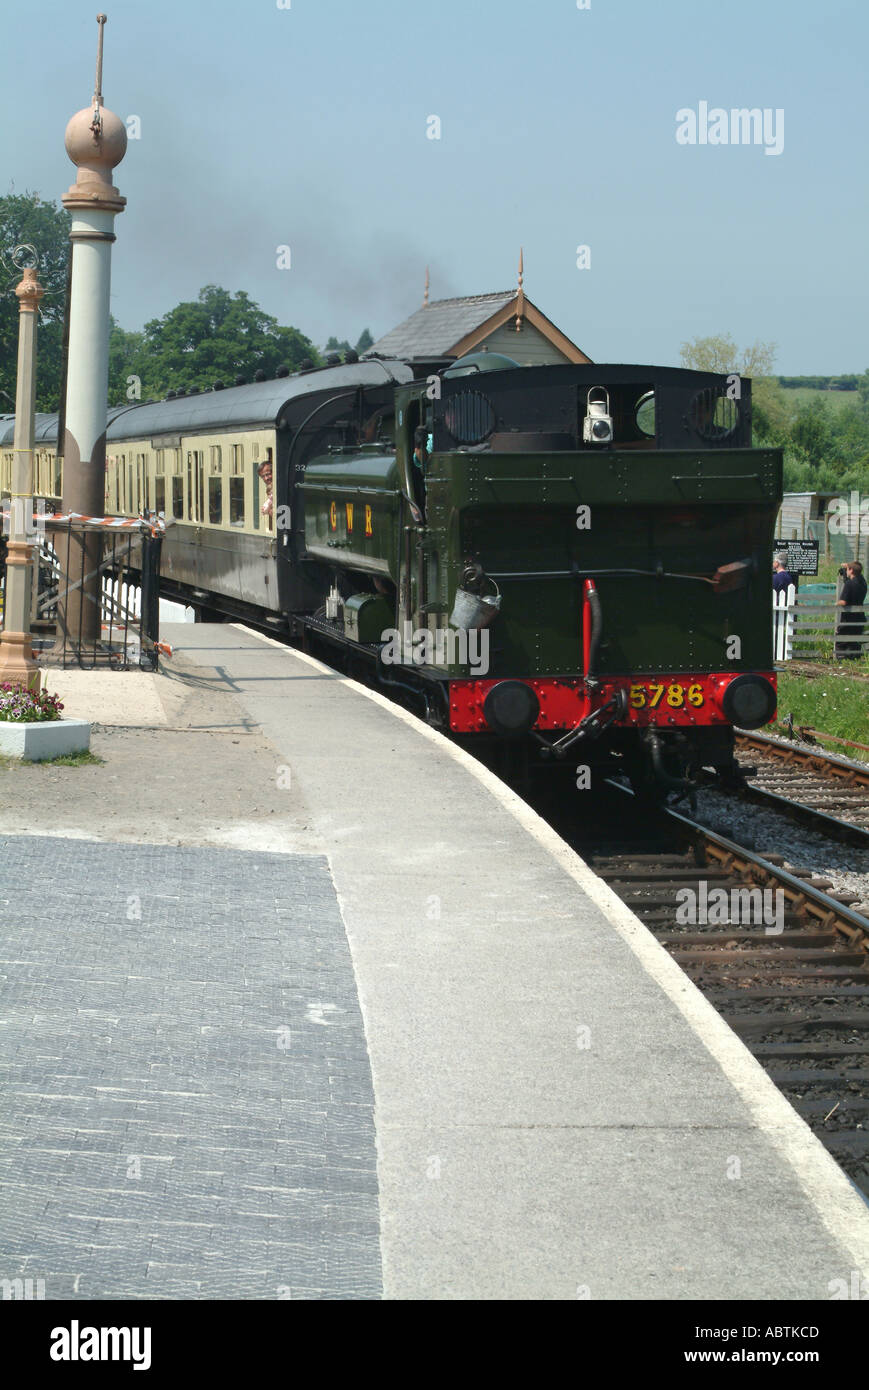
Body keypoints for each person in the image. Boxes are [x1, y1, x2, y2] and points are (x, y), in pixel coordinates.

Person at [835, 560, 867, 659]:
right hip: (860, 617)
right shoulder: (863, 583)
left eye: (848, 569)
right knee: (854, 642)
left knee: (841, 641)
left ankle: (841, 661)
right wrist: (848, 567)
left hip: (848, 618)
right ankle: (854, 661)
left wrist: (835, 603)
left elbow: (844, 602)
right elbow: (857, 575)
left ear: (851, 570)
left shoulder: (849, 584)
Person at [258, 454, 273, 527]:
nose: (265, 479)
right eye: (263, 476)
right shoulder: (270, 489)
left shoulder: (276, 490)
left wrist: (268, 510)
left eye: (268, 474)